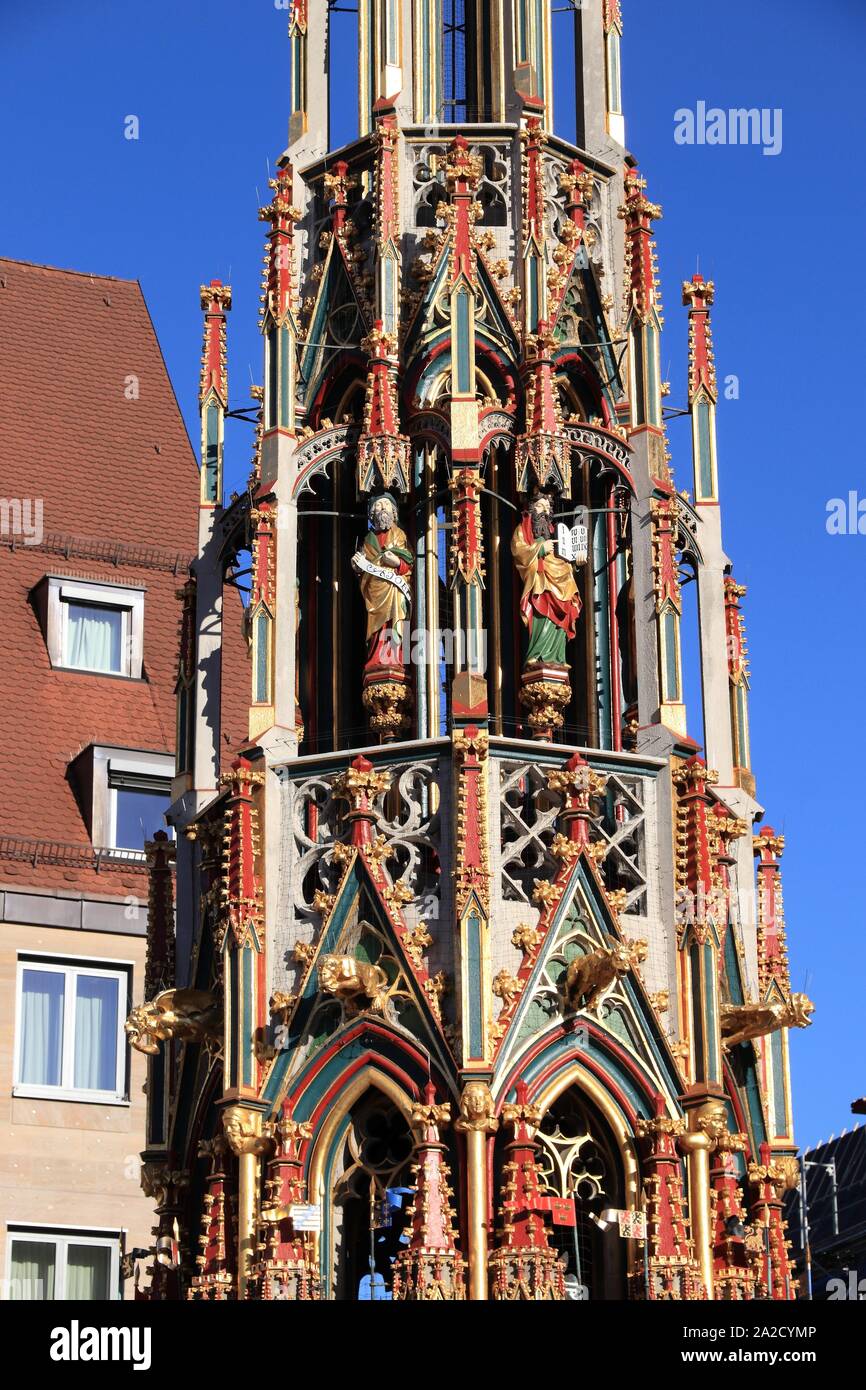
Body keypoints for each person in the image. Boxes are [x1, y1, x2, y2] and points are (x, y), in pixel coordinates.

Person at [511, 493, 582, 667]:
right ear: (531, 508)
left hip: (562, 581)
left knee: (561, 616)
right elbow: (518, 551)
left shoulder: (555, 532)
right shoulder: (523, 529)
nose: (545, 511)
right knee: (543, 617)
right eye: (540, 506)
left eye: (547, 507)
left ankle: (558, 656)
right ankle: (537, 654)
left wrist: (576, 562)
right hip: (541, 581)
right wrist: (540, 548)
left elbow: (565, 559)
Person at [352, 494, 413, 668]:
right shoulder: (367, 540)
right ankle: (376, 658)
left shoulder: (400, 535)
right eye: (378, 506)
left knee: (395, 621)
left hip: (394, 590)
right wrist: (357, 567)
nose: (383, 508)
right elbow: (363, 568)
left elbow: (409, 563)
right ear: (372, 513)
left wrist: (397, 563)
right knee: (376, 630)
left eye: (386, 505)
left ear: (394, 512)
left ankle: (394, 658)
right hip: (375, 592)